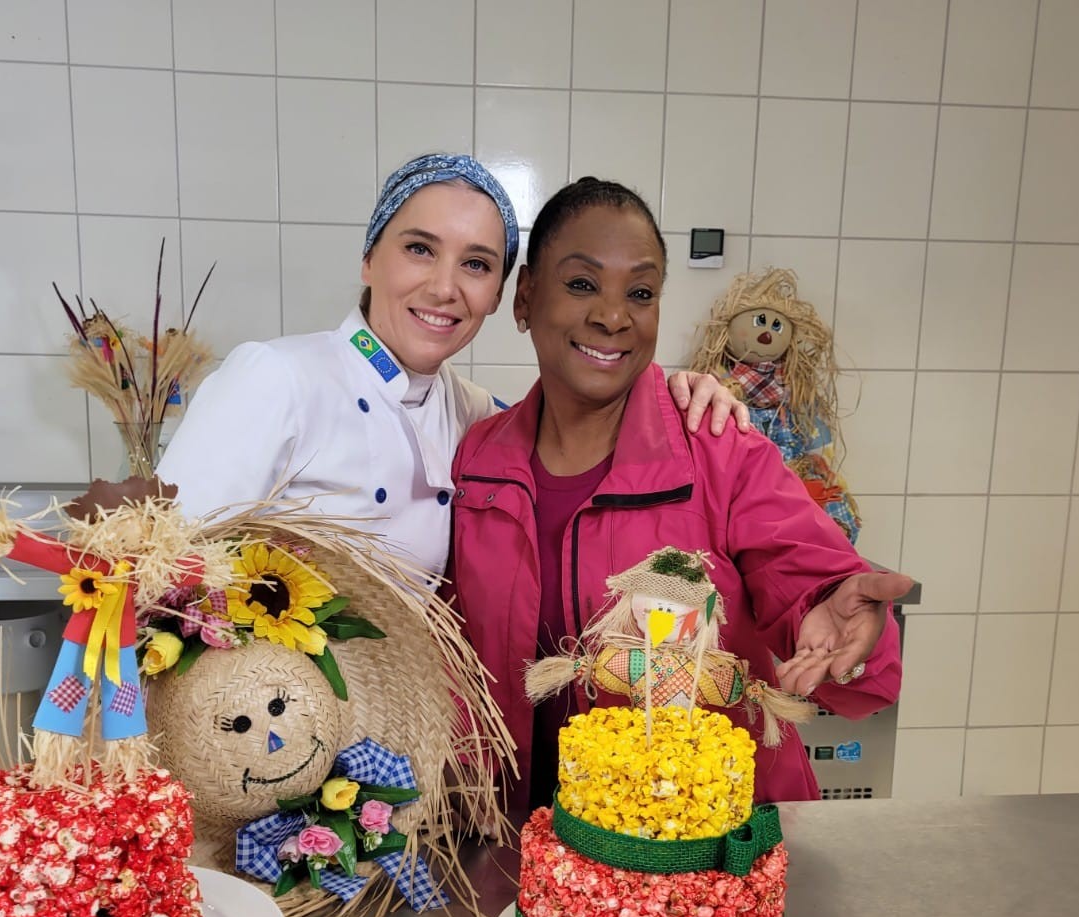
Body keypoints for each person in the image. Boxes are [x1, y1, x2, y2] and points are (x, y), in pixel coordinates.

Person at [448, 177, 911, 809]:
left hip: (708, 857)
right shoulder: (478, 462)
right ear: (525, 297)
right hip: (533, 850)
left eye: (640, 292)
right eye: (582, 283)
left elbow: (817, 593)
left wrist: (846, 634)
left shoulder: (719, 448)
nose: (613, 317)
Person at [158, 153, 752, 580]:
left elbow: (582, 417)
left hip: (406, 734)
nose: (445, 288)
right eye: (420, 249)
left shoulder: (473, 411)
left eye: (476, 264)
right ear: (369, 259)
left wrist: (678, 390)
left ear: (500, 295)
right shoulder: (276, 378)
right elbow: (157, 570)